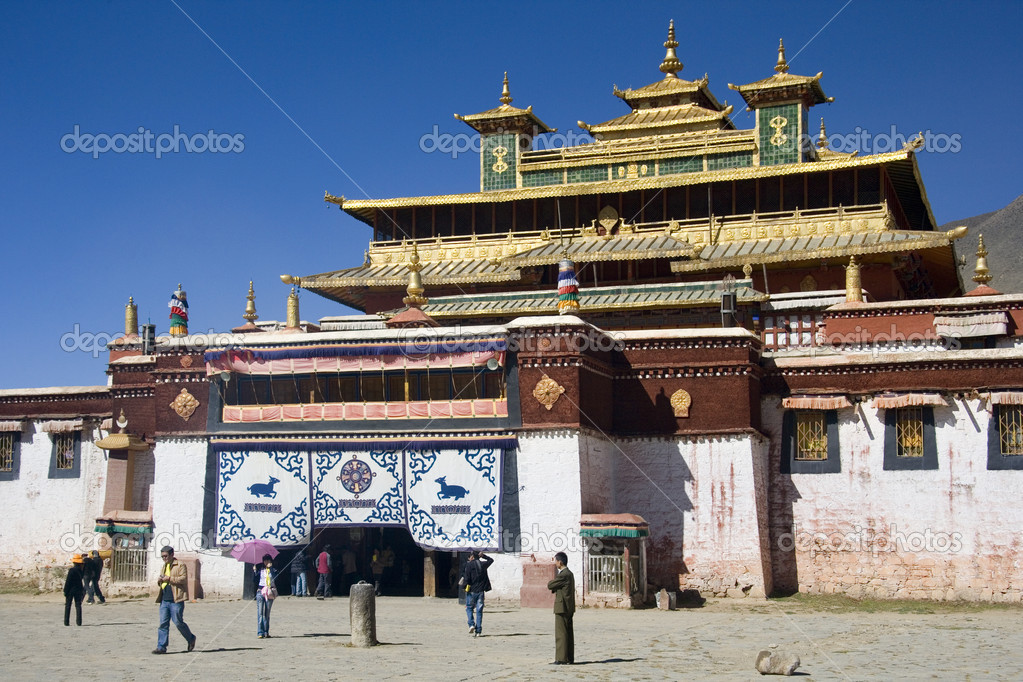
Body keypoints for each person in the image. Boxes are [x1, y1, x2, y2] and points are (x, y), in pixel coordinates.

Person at [153, 546, 196, 654]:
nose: (164, 558)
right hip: (164, 599)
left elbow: (183, 579)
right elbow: (162, 580)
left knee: (178, 622)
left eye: (166, 556)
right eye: (162, 556)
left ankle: (190, 638)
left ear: (172, 555)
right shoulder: (164, 566)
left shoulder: (180, 565)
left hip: (176, 599)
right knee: (163, 624)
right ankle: (161, 647)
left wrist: (169, 579)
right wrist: (160, 580)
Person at [547, 551, 575, 665]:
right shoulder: (570, 573)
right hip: (569, 606)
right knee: (568, 633)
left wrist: (554, 585)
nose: (555, 563)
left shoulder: (563, 574)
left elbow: (550, 585)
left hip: (562, 606)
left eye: (556, 561)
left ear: (560, 562)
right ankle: (569, 657)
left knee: (561, 633)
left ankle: (561, 658)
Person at [462, 550, 493, 637]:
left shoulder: (469, 565)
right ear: (479, 556)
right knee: (479, 611)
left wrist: (464, 587)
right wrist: (484, 556)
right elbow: (491, 560)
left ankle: (471, 624)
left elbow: (467, 578)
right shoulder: (483, 564)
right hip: (480, 591)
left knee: (469, 608)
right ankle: (478, 631)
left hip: (471, 590)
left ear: (472, 556)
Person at [254, 554, 278, 638]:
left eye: (268, 560)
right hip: (260, 591)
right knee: (260, 613)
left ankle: (266, 631)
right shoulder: (260, 570)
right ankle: (260, 632)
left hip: (269, 591)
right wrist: (254, 571)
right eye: (265, 560)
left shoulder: (274, 570)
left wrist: (270, 569)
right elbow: (255, 580)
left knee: (267, 613)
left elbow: (275, 578)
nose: (266, 562)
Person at [63, 554, 86, 626]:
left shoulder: (72, 570)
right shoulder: (81, 570)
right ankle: (79, 622)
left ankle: (66, 622)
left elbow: (68, 581)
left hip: (71, 589)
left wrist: (65, 590)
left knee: (68, 605)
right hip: (79, 589)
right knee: (78, 605)